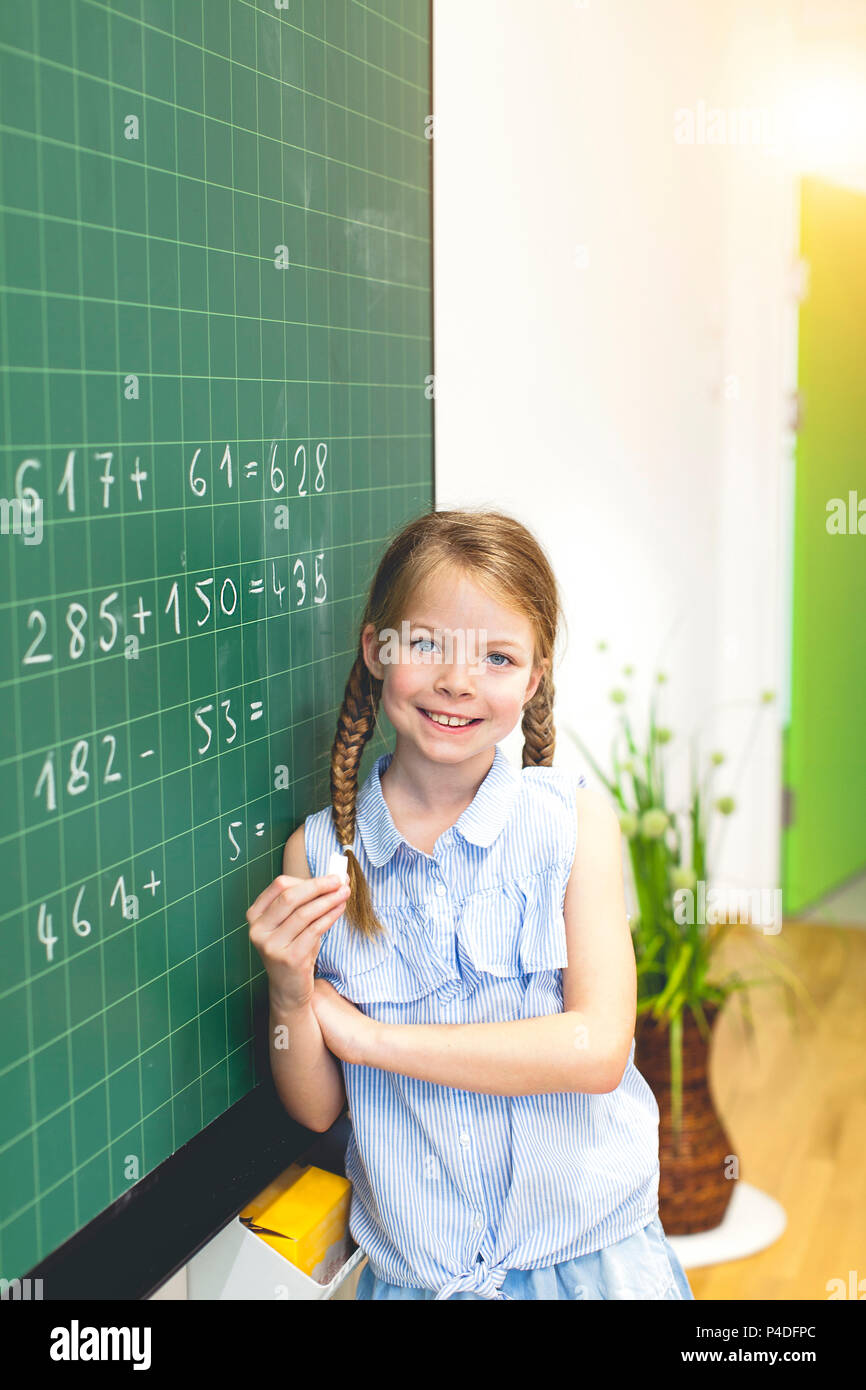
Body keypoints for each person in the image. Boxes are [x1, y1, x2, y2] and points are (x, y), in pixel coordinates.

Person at [247, 508, 695, 1301]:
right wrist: (290, 989)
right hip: (423, 1280)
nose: (457, 681)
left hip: (592, 1263)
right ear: (376, 649)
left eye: (496, 657)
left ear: (534, 677)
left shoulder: (573, 824)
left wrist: (374, 1040)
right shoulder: (320, 859)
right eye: (425, 645)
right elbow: (317, 1111)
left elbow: (593, 1052)